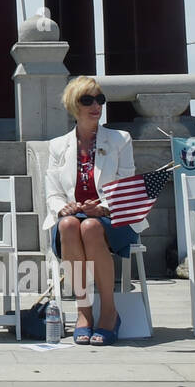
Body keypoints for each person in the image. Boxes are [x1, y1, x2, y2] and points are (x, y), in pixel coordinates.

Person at [42, 76, 148, 346]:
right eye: (87, 100)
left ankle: (110, 313)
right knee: (67, 224)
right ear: (73, 105)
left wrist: (101, 208)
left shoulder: (120, 140)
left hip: (114, 218)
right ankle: (84, 312)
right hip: (72, 222)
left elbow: (127, 189)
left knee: (90, 226)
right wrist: (63, 207)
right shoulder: (57, 146)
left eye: (99, 99)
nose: (95, 105)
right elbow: (52, 194)